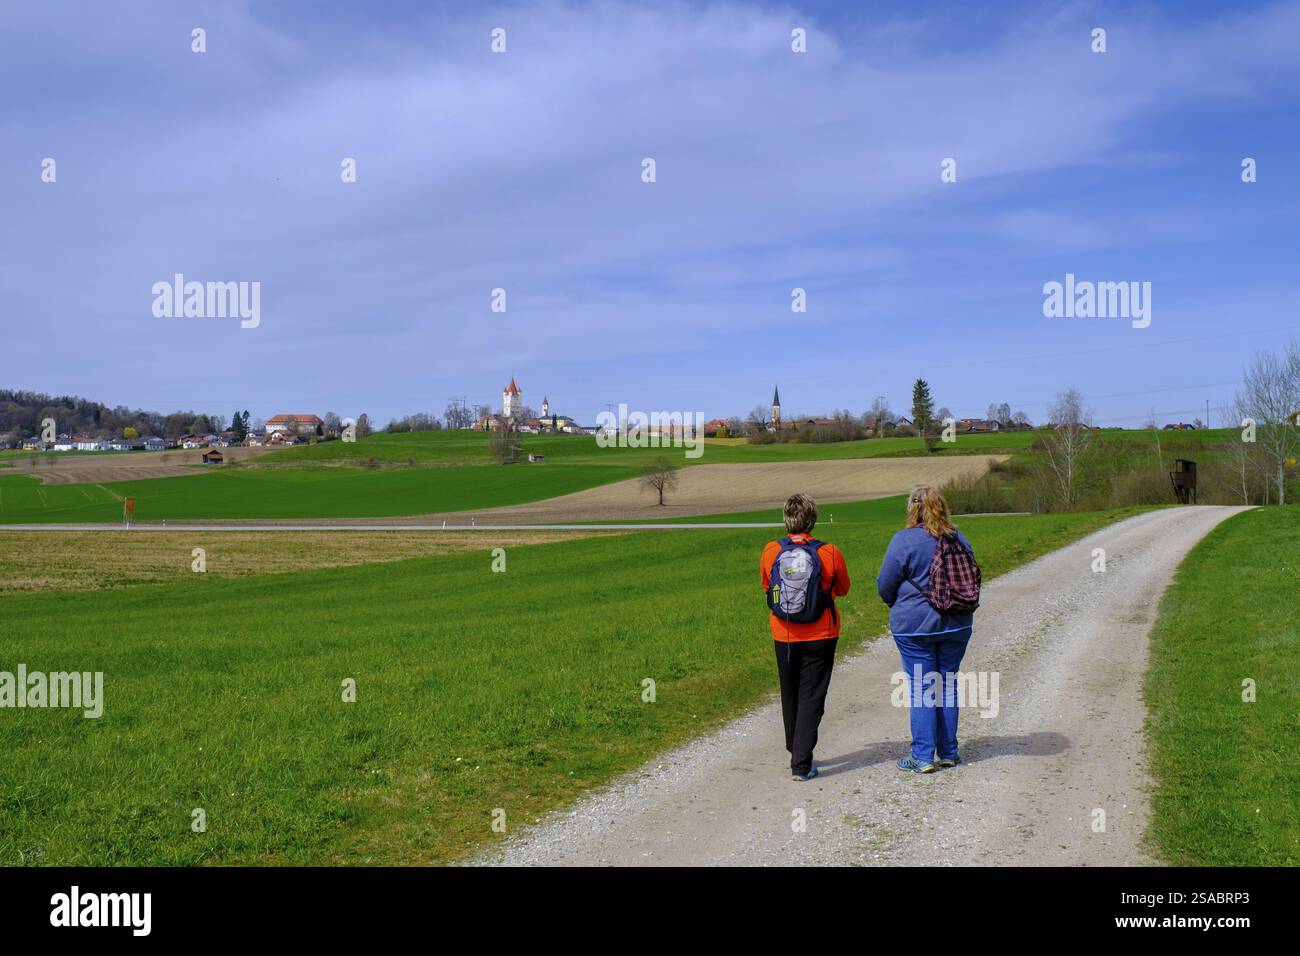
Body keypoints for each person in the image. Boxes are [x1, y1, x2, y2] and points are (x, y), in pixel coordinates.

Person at [876, 485, 976, 773]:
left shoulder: (904, 541)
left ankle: (921, 756)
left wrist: (900, 603)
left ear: (912, 508)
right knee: (947, 685)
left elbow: (885, 585)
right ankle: (948, 752)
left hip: (914, 627)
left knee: (922, 688)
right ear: (941, 507)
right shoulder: (958, 537)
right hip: (957, 623)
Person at [760, 493, 851, 781]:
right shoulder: (830, 552)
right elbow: (843, 588)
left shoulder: (770, 550)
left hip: (784, 632)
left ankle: (795, 748)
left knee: (790, 692)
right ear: (813, 520)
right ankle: (801, 762)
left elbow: (767, 588)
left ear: (786, 519)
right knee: (812, 695)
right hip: (821, 633)